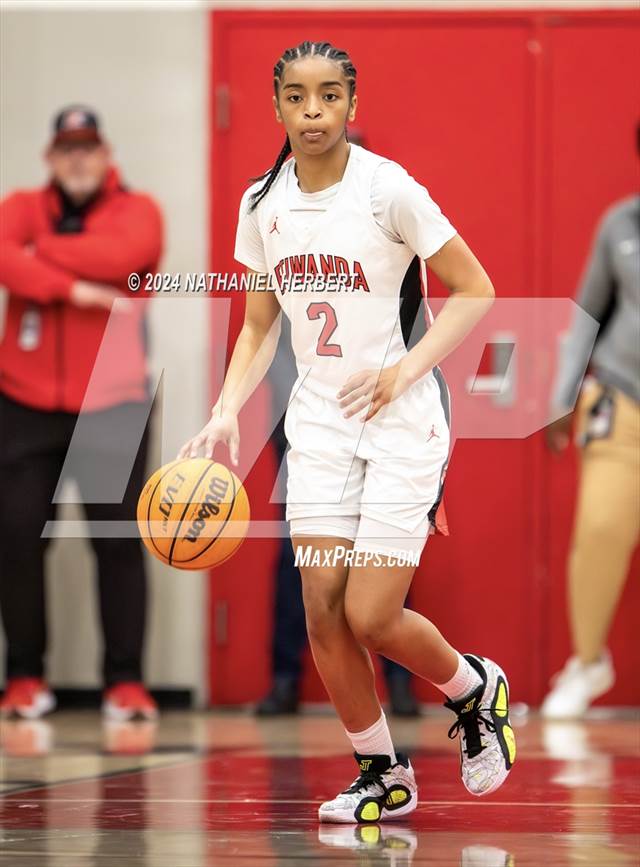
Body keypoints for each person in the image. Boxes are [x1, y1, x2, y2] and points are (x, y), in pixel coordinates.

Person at [179, 41, 515, 823]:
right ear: (277, 107)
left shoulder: (387, 189)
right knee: (321, 609)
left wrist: (407, 368)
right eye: (297, 98)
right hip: (321, 430)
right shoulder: (263, 202)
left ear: (351, 105)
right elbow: (259, 322)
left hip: (401, 422)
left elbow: (476, 289)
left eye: (329, 97)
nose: (313, 112)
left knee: (371, 613)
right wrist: (227, 407)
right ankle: (381, 770)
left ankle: (473, 687)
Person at [0, 105, 163, 721]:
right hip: (22, 400)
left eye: (88, 148)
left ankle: (126, 683)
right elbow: (1, 253)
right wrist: (71, 289)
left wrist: (40, 255)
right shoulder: (18, 205)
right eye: (67, 149)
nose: (77, 159)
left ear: (106, 156)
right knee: (16, 538)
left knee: (118, 543)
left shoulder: (139, 210)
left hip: (114, 402)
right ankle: (23, 677)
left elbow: (127, 257)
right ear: (50, 158)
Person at [257, 314, 420, 717]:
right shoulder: (285, 255)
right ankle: (285, 677)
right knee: (301, 557)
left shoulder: (376, 258)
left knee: (382, 548)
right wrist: (295, 405)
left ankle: (400, 683)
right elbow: (264, 333)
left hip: (374, 414)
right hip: (308, 422)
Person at [541, 126, 640, 719]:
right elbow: (586, 314)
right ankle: (586, 661)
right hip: (623, 400)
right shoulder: (620, 225)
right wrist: (562, 394)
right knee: (601, 528)